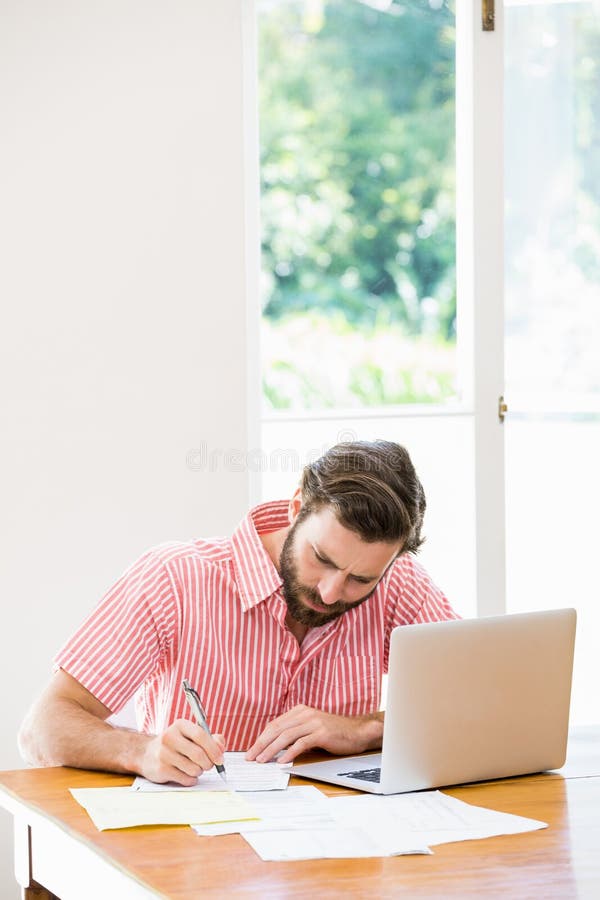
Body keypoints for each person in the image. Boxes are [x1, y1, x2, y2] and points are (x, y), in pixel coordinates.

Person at [18, 439, 458, 785]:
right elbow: (41, 728)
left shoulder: (399, 583)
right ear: (296, 506)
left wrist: (366, 728)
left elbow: (475, 708)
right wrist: (141, 751)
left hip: (342, 846)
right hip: (195, 847)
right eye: (322, 558)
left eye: (360, 579)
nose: (330, 592)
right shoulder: (174, 578)